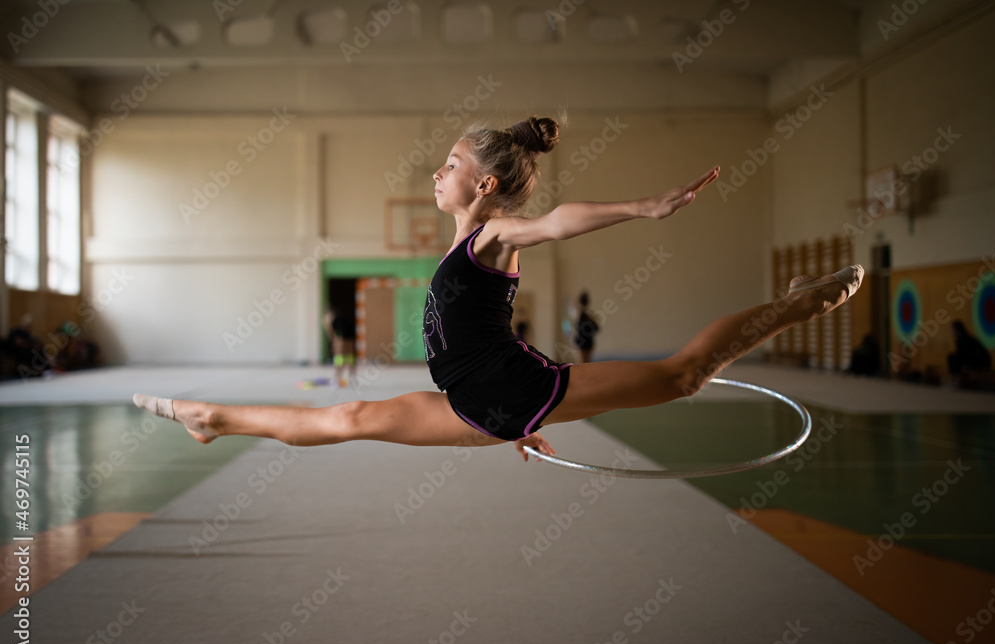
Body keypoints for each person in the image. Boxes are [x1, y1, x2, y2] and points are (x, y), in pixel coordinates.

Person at [134, 115, 863, 461]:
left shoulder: (492, 234)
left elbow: (556, 222)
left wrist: (644, 207)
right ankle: (212, 417)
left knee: (682, 375)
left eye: (449, 163)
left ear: (483, 185)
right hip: (478, 396)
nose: (436, 172)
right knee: (348, 413)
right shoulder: (461, 243)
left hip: (499, 391)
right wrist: (521, 415)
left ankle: (804, 300)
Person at [323, 307, 357, 387]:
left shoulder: (333, 321)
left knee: (339, 360)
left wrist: (327, 325)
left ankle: (337, 379)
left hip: (342, 339)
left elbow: (331, 334)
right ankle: (352, 379)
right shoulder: (341, 319)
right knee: (350, 359)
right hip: (350, 338)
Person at [574, 290, 598, 363]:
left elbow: (596, 328)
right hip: (585, 341)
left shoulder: (582, 314)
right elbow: (596, 328)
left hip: (584, 341)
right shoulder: (587, 315)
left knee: (584, 363)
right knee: (586, 362)